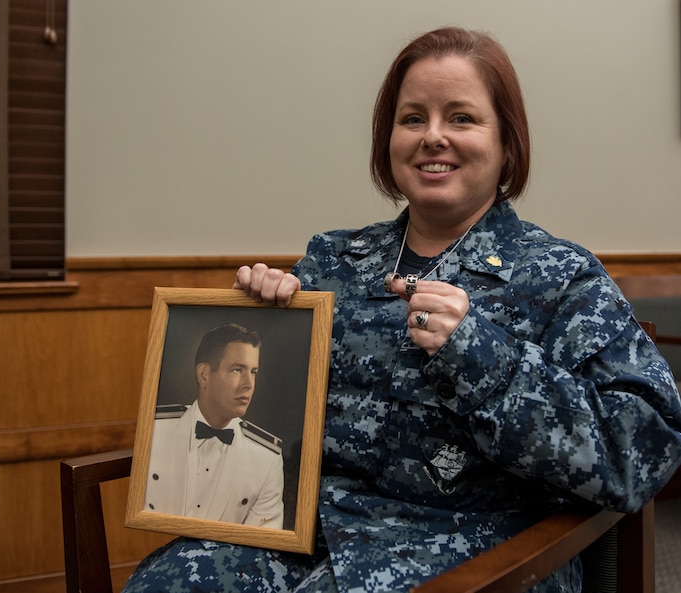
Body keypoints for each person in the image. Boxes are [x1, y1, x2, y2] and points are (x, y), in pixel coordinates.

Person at [123, 27, 681, 593]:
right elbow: (267, 412)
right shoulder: (331, 261)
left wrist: (483, 357)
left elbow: (643, 450)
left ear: (507, 142)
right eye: (413, 118)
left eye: (461, 118)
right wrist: (260, 314)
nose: (433, 137)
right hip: (296, 535)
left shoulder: (562, 276)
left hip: (472, 552)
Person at [145, 323, 285, 528]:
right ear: (204, 375)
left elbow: (263, 547)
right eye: (237, 370)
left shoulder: (267, 458)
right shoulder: (154, 430)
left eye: (253, 372)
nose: (249, 384)